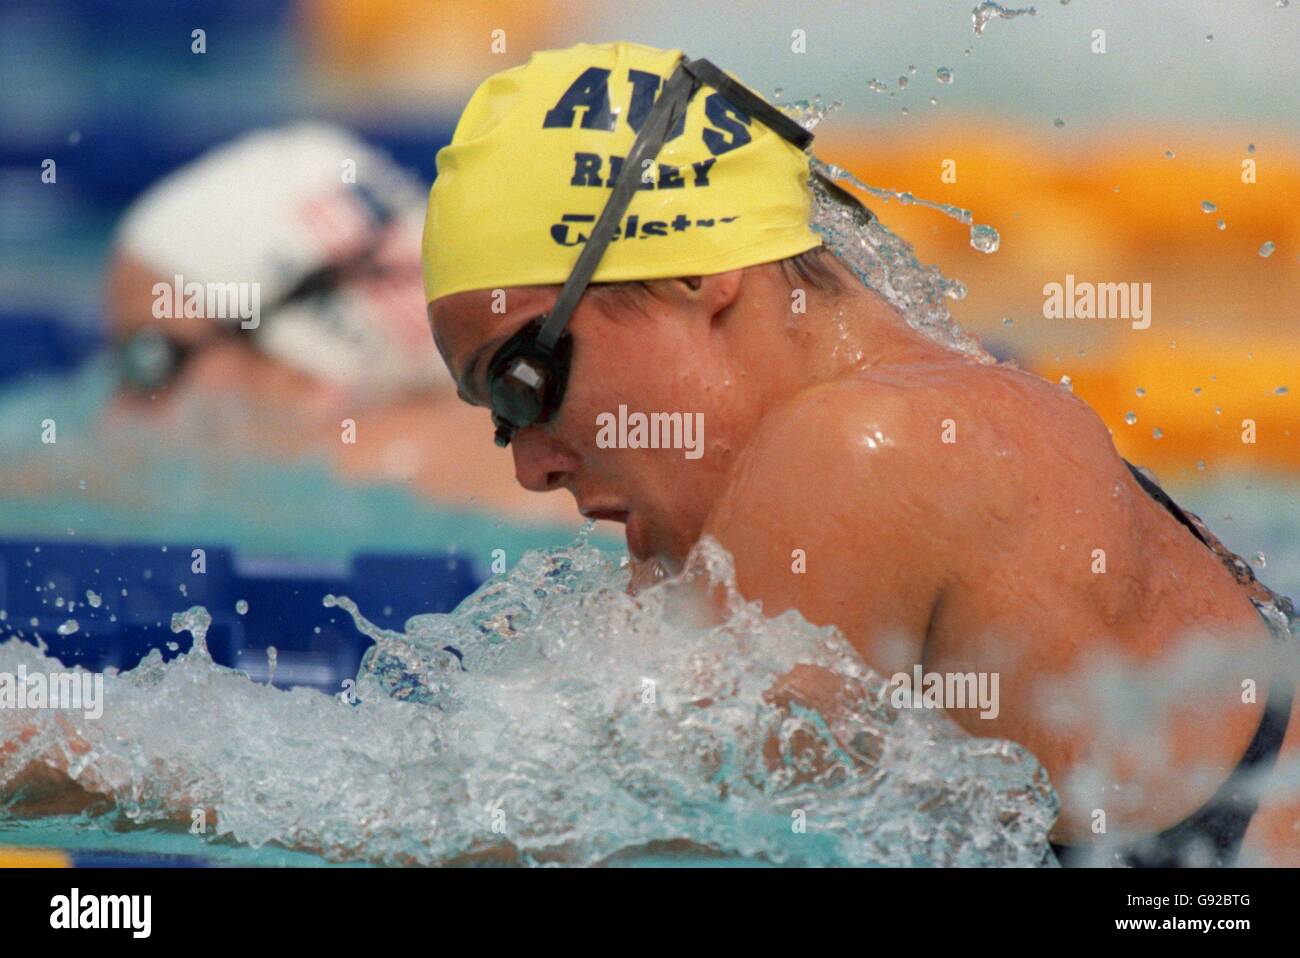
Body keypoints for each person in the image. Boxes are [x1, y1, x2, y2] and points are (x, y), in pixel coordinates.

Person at [424, 41, 1299, 865]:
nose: (529, 464)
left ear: (694, 272)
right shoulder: (961, 411)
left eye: (522, 379)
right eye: (501, 421)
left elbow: (647, 846)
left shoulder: (857, 450)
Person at [105, 122, 576, 524]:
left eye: (149, 358)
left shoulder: (377, 468)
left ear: (293, 364)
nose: (121, 409)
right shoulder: (548, 435)